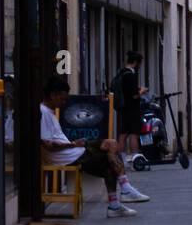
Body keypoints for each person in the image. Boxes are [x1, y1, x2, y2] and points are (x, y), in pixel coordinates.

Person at [40, 78, 147, 215]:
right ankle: (122, 194)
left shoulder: (49, 112)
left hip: (74, 151)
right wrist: (72, 144)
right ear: (53, 95)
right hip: (68, 156)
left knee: (112, 148)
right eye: (62, 99)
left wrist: (74, 144)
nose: (64, 103)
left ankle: (118, 201)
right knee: (111, 154)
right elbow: (47, 144)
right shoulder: (43, 112)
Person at [113, 51, 146, 169]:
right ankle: (135, 158)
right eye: (139, 63)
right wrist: (142, 91)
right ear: (136, 62)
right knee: (134, 133)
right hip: (132, 108)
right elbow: (134, 95)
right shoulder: (131, 75)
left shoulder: (121, 73)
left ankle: (120, 158)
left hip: (123, 108)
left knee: (123, 134)